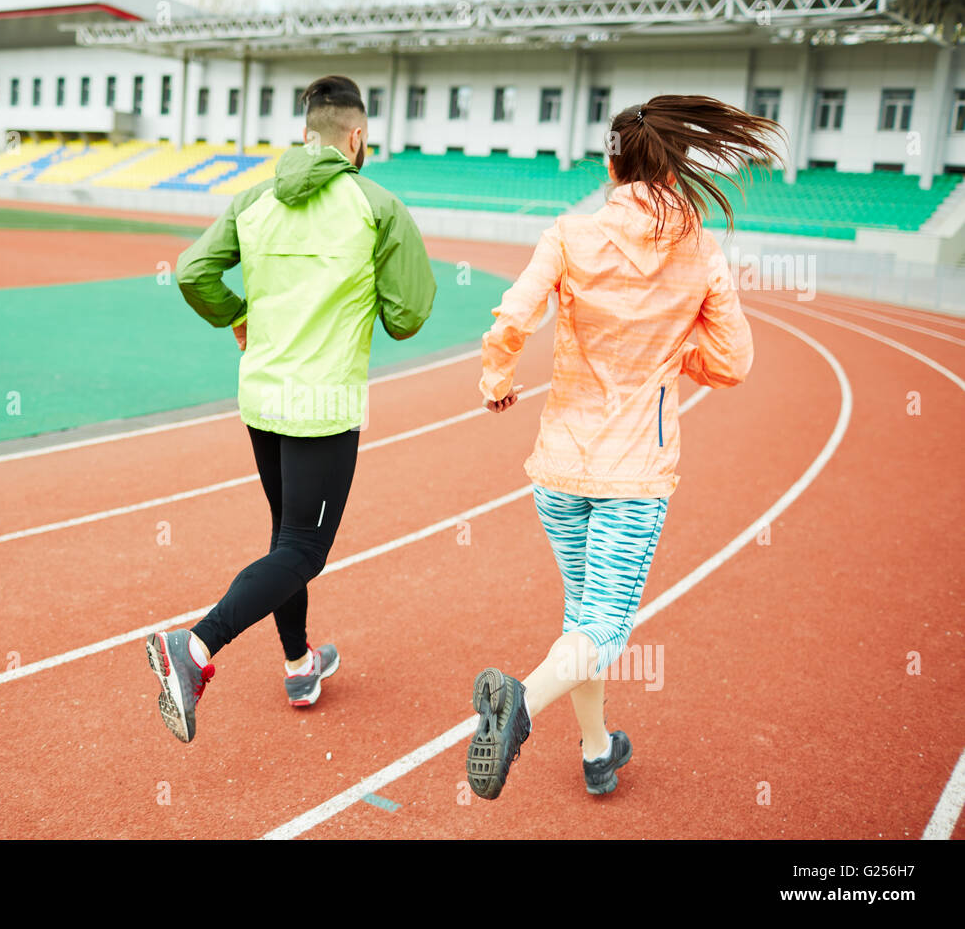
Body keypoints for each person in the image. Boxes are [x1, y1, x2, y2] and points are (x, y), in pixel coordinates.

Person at [464, 94, 785, 799]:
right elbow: (733, 364)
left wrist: (496, 381)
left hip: (558, 468)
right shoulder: (699, 247)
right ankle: (519, 704)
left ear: (611, 166)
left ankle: (596, 750)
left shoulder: (568, 234)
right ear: (672, 172)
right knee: (604, 627)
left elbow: (513, 316)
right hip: (633, 475)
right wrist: (672, 351)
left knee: (584, 616)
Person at [146, 75, 437, 744]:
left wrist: (240, 313)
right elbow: (409, 316)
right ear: (357, 138)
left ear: (308, 131)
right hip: (323, 405)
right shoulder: (378, 205)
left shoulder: (252, 198)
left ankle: (301, 665)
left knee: (285, 540)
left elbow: (193, 271)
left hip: (262, 398)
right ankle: (192, 648)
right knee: (305, 548)